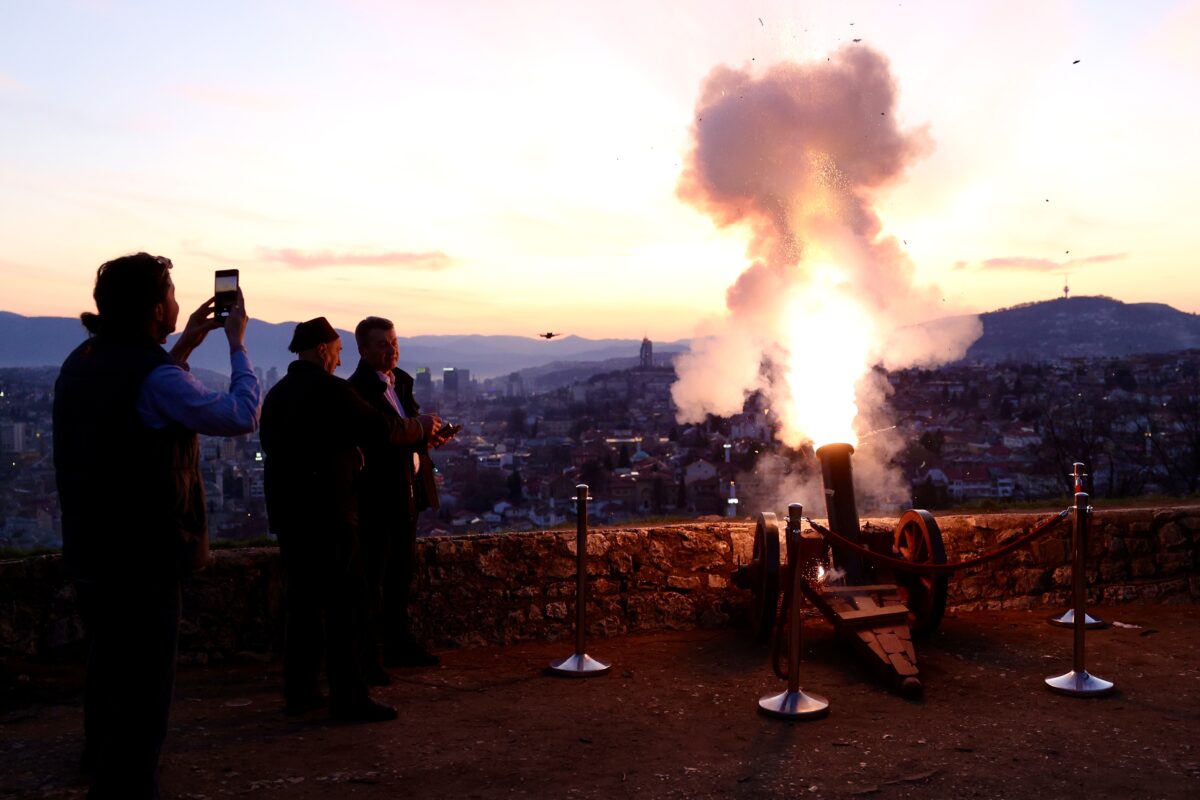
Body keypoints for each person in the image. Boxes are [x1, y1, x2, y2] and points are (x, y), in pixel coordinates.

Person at [53, 252, 260, 799]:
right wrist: (238, 346)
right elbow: (238, 416)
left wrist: (186, 344)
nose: (176, 301)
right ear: (151, 308)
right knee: (146, 683)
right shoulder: (154, 376)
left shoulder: (84, 358)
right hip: (145, 551)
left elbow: (137, 395)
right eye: (170, 292)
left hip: (92, 545)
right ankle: (128, 784)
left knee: (107, 663)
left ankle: (98, 758)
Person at [260, 317, 440, 721]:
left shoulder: (277, 394)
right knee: (350, 604)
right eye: (338, 351)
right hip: (330, 512)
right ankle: (350, 695)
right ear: (323, 350)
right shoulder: (333, 391)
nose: (339, 361)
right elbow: (381, 428)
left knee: (303, 605)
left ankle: (300, 690)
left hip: (290, 516)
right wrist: (421, 427)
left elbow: (277, 449)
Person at [348, 317, 450, 677]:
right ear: (362, 350)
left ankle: (398, 643)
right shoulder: (357, 391)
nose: (391, 349)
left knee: (400, 573)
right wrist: (416, 431)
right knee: (375, 576)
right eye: (382, 344)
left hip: (408, 493)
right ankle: (370, 656)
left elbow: (408, 429)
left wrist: (428, 437)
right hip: (379, 495)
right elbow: (382, 435)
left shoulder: (401, 382)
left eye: (394, 342)